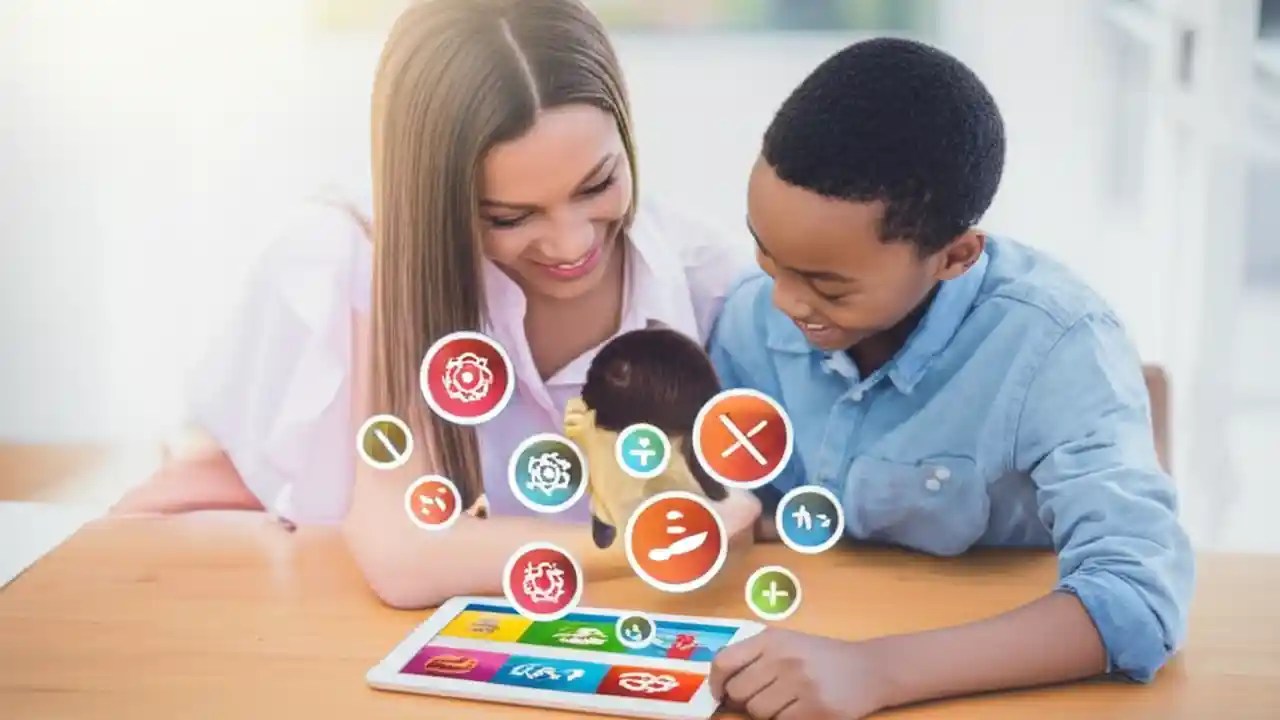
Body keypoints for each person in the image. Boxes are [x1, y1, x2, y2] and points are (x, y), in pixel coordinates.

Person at [111, 0, 761, 608]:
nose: (571, 243)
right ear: (436, 200)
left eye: (599, 183)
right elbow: (404, 554)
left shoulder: (707, 279)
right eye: (509, 216)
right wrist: (651, 544)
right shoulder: (357, 261)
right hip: (316, 592)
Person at [705, 38, 1194, 719]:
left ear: (955, 256)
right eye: (767, 253)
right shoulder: (750, 319)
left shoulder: (1056, 345)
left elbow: (1139, 601)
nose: (785, 302)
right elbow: (735, 502)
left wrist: (874, 671)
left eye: (828, 286)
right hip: (799, 637)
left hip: (977, 679)